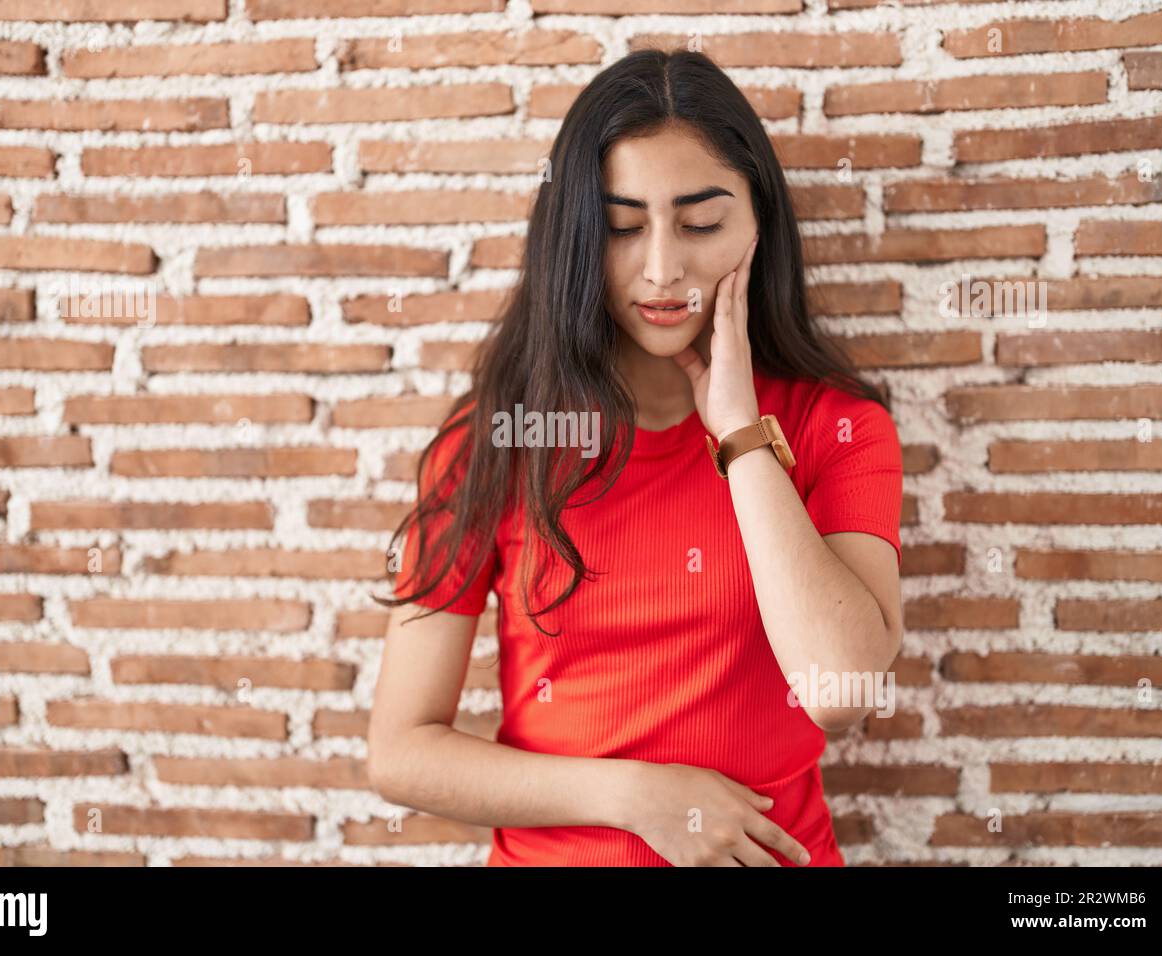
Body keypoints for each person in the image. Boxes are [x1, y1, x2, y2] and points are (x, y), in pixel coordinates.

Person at [367, 48, 904, 867]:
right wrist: (636, 796)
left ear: (760, 225)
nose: (662, 269)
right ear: (576, 239)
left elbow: (841, 691)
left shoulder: (836, 426)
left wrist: (738, 434)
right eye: (621, 228)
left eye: (700, 224)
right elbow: (402, 751)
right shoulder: (497, 440)